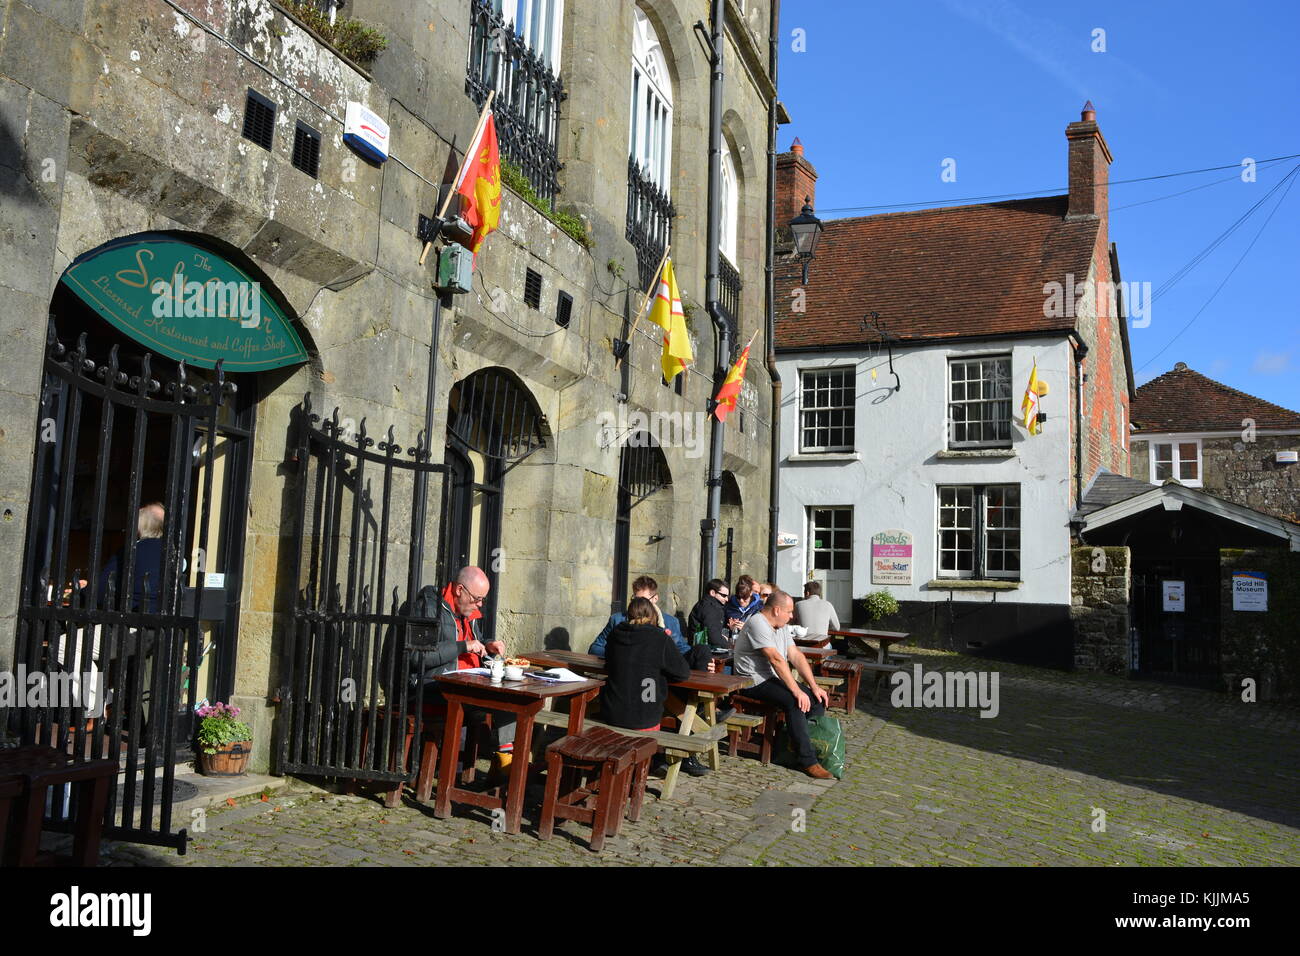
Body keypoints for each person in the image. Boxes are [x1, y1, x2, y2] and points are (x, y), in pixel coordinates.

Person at [407, 566, 515, 776]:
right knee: (505, 699)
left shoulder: (467, 612)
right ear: (459, 590)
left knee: (512, 696)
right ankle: (503, 764)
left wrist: (488, 644)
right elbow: (417, 656)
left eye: (482, 599)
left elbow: (476, 642)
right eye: (476, 598)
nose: (480, 604)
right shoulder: (429, 608)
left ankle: (506, 758)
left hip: (466, 683)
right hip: (431, 687)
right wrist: (463, 646)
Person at [602, 596, 709, 778]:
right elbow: (682, 672)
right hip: (644, 712)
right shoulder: (659, 637)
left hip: (612, 710)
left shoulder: (615, 634)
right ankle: (648, 766)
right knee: (653, 692)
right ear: (653, 616)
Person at [732, 589, 833, 779]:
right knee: (794, 702)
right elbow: (776, 659)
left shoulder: (782, 626)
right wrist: (796, 690)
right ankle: (807, 761)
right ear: (777, 610)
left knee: (816, 700)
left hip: (772, 679)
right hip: (752, 682)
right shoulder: (757, 623)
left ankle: (803, 745)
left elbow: (795, 655)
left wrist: (814, 686)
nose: (792, 616)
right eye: (789, 611)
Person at [590, 575, 712, 670]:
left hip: (660, 674)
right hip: (627, 673)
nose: (638, 604)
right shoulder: (617, 619)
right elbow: (595, 648)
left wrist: (701, 659)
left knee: (702, 651)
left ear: (655, 599)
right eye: (635, 599)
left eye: (643, 600)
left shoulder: (671, 622)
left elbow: (681, 649)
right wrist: (622, 653)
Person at [98, 502, 166, 612]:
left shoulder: (132, 550)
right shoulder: (172, 552)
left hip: (133, 621)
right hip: (165, 622)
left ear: (139, 527)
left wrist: (82, 591)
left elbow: (101, 591)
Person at [687, 578, 731, 650]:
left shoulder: (704, 604)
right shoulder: (710, 608)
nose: (727, 599)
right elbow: (713, 637)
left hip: (700, 649)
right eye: (724, 595)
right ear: (712, 593)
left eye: (727, 596)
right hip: (706, 651)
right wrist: (728, 644)